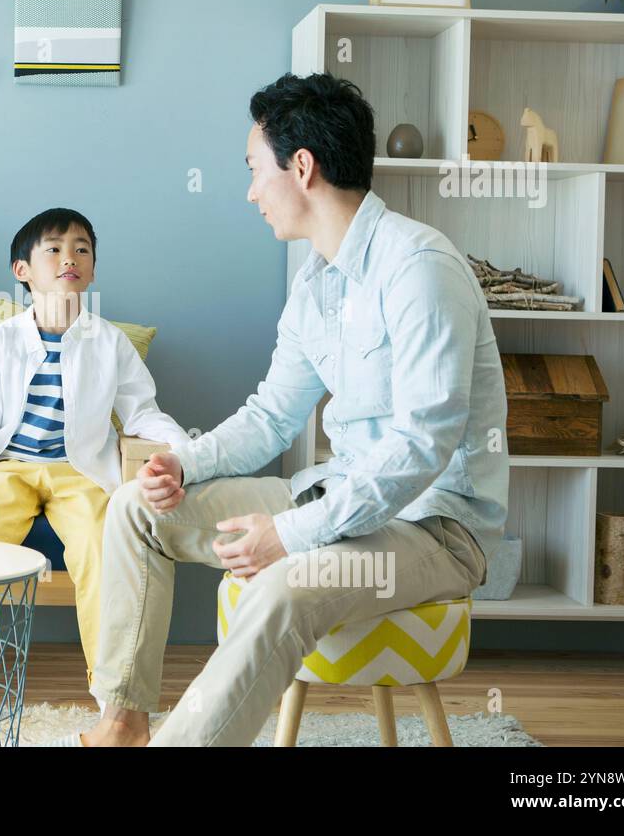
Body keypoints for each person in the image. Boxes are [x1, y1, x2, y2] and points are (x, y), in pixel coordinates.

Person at [72, 72, 508, 747]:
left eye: (254, 169)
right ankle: (122, 724)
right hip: (333, 499)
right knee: (137, 508)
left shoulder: (420, 268)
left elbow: (424, 445)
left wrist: (294, 534)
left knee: (282, 585)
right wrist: (181, 463)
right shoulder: (315, 284)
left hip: (434, 528)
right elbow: (272, 416)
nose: (250, 191)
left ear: (301, 167)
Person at [0, 208, 189, 740]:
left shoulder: (108, 341)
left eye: (81, 249)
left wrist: (183, 446)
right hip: (10, 470)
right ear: (22, 270)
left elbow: (141, 409)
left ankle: (111, 695)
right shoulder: (2, 341)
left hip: (79, 471)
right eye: (52, 249)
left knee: (103, 550)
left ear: (93, 269)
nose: (68, 258)